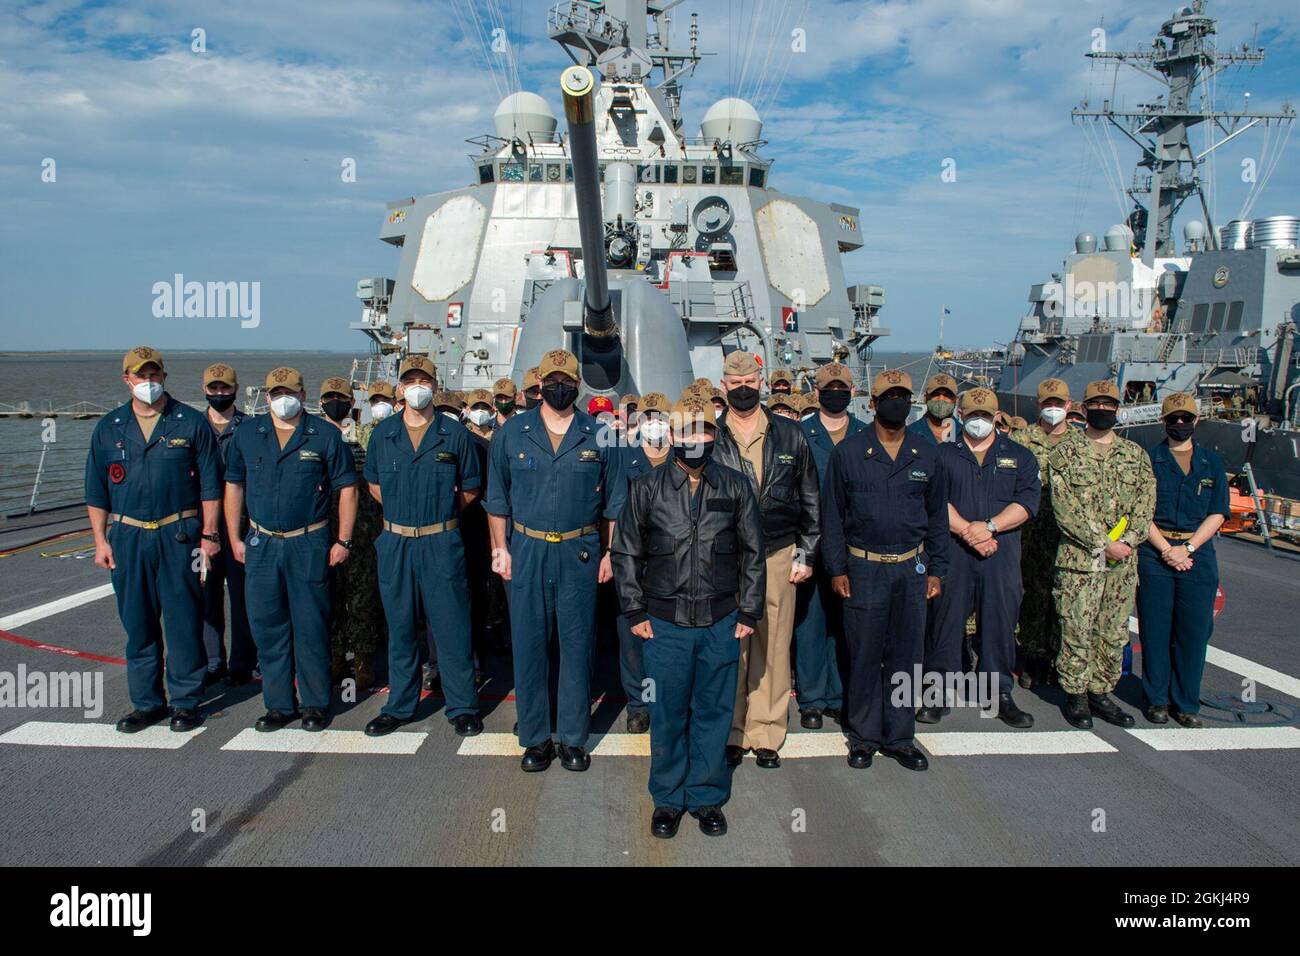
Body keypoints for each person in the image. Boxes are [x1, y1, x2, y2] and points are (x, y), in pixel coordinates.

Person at [613, 396, 765, 839]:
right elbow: (625, 551)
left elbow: (754, 553)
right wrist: (635, 610)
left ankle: (705, 796)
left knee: (714, 711)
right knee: (667, 711)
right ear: (674, 437)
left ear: (715, 437)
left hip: (721, 619)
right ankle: (667, 798)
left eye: (704, 432)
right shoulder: (647, 488)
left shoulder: (736, 486)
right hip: (665, 623)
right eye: (687, 433)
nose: (695, 441)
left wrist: (750, 609)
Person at [485, 349, 621, 772]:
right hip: (527, 550)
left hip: (579, 552)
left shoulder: (600, 433)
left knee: (577, 646)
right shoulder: (513, 432)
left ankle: (574, 738)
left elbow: (615, 502)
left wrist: (610, 552)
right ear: (539, 384)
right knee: (529, 645)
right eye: (551, 380)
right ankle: (536, 737)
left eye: (566, 380)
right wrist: (499, 548)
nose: (559, 386)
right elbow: (496, 498)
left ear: (577, 385)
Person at [87, 347, 222, 733]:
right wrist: (100, 540)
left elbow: (211, 486)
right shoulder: (109, 427)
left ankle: (185, 701)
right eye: (140, 375)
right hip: (128, 536)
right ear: (126, 379)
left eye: (154, 374)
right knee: (138, 623)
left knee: (183, 621)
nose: (148, 381)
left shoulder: (190, 423)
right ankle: (147, 703)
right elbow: (96, 491)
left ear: (164, 375)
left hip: (178, 535)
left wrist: (210, 535)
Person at [821, 369, 948, 770]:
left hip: (911, 568)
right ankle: (863, 736)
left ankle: (899, 736)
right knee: (863, 654)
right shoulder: (849, 452)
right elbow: (833, 517)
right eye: (888, 396)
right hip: (864, 568)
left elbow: (937, 518)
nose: (897, 402)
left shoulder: (926, 453)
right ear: (873, 403)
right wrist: (837, 568)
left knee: (906, 656)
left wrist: (936, 570)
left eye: (903, 396)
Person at [224, 367, 357, 732]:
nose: (284, 399)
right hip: (262, 542)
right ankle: (279, 705)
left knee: (310, 625)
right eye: (276, 392)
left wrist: (343, 540)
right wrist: (234, 538)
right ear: (266, 397)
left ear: (303, 396)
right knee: (268, 627)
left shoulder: (325, 435)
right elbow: (234, 485)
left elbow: (347, 488)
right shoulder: (248, 434)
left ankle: (315, 703)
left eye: (292, 393)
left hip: (309, 541)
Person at [362, 355, 483, 736]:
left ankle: (462, 705)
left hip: (440, 541)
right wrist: (404, 514)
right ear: (399, 388)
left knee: (451, 627)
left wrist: (438, 514)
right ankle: (399, 706)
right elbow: (374, 485)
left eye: (423, 380)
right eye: (409, 380)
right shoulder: (383, 434)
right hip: (396, 541)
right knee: (400, 629)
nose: (416, 387)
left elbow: (470, 488)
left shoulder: (454, 434)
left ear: (434, 386)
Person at [711, 351, 819, 769]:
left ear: (761, 382)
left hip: (777, 551)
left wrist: (806, 552)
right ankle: (734, 730)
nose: (742, 388)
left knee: (773, 643)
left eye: (749, 381)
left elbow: (811, 498)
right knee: (731, 645)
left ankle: (768, 731)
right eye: (734, 382)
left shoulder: (790, 434)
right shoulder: (711, 436)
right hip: (728, 555)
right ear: (724, 386)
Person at [922, 388, 1039, 727]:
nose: (978, 421)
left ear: (996, 417)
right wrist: (967, 531)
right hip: (953, 552)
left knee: (999, 622)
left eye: (985, 416)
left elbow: (1027, 503)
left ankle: (998, 692)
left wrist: (988, 528)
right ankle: (938, 690)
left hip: (999, 553)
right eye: (972, 415)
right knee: (945, 620)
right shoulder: (941, 455)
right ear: (959, 415)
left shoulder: (1020, 457)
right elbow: (933, 501)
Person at [1047, 380, 1155, 729]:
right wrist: (1101, 542)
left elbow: (1145, 502)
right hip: (1081, 560)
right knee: (1077, 626)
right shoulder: (1065, 453)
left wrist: (1131, 539)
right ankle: (1076, 695)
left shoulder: (1135, 455)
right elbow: (1064, 507)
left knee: (1112, 630)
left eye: (1109, 405)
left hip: (1123, 562)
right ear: (1085, 406)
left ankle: (1100, 691)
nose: (1103, 410)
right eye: (1097, 404)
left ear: (1117, 409)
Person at [1137, 393, 1229, 727]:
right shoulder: (1149, 460)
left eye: (1185, 418)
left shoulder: (1211, 463)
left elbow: (1218, 511)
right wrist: (1166, 549)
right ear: (1164, 421)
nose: (1180, 424)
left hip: (1197, 555)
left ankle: (1186, 703)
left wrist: (1187, 548)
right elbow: (1140, 511)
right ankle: (1157, 700)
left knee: (1193, 632)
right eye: (1173, 418)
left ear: (1196, 421)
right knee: (1156, 630)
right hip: (1156, 552)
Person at [793, 362, 865, 729]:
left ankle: (839, 695)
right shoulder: (799, 435)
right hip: (810, 543)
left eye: (842, 388)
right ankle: (811, 699)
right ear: (817, 393)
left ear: (853, 393)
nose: (835, 393)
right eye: (828, 388)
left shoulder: (867, 436)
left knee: (845, 623)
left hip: (853, 546)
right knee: (809, 624)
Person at [608, 391, 674, 733]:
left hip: (674, 564)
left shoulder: (682, 458)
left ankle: (664, 700)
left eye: (661, 417)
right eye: (648, 417)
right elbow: (614, 509)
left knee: (668, 639)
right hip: (634, 560)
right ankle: (638, 704)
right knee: (633, 637)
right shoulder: (624, 456)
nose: (654, 423)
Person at [1010, 378, 1078, 688]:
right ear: (1038, 405)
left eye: (1058, 403)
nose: (1053, 408)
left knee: (1064, 598)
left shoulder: (1081, 445)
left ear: (1069, 405)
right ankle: (1031, 656)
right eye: (1047, 403)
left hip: (1070, 536)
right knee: (1031, 596)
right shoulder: (1021, 440)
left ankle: (1056, 656)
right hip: (1028, 534)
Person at [319, 376, 384, 691]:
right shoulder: (312, 433)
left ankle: (363, 659)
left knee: (362, 594)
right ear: (321, 402)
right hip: (325, 520)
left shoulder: (366, 434)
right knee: (330, 593)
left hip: (364, 522)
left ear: (351, 402)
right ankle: (334, 657)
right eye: (330, 397)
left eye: (341, 397)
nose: (336, 402)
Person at [198, 362, 256, 687]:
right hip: (203, 528)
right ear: (204, 389)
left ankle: (242, 662)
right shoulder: (193, 427)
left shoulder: (248, 428)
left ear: (235, 389)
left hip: (241, 525)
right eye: (213, 388)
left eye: (225, 388)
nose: (219, 393)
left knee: (242, 596)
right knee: (206, 597)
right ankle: (212, 661)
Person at [462, 389, 510, 658]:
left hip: (494, 522)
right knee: (472, 588)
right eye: (474, 406)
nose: (480, 411)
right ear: (466, 410)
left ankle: (493, 635)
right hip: (469, 522)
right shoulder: (462, 439)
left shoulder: (500, 439)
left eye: (484, 406)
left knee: (494, 589)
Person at [907, 373, 959, 447]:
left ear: (956, 400)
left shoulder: (966, 434)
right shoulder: (909, 434)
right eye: (935, 394)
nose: (941, 399)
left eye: (947, 395)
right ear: (925, 398)